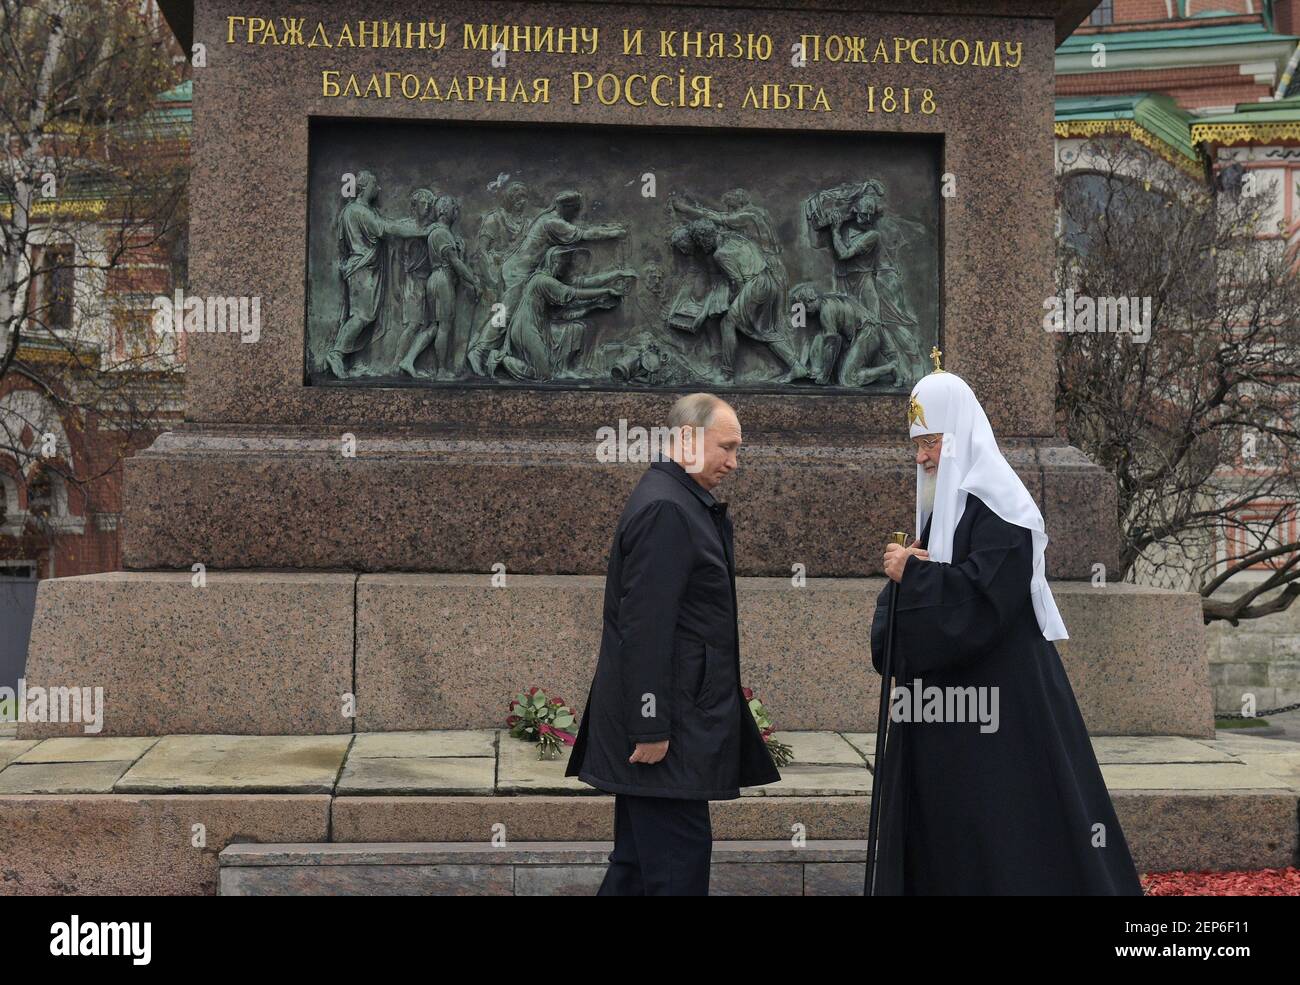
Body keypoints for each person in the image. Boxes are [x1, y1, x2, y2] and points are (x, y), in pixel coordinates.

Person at [869, 354, 1143, 895]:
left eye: (932, 443)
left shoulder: (1002, 509)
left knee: (1009, 837)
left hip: (1005, 715)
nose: (923, 458)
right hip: (942, 717)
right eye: (917, 445)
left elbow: (980, 606)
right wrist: (910, 577)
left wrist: (913, 578)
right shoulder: (939, 512)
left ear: (963, 434)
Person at [566, 393, 781, 894]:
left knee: (640, 868)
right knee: (674, 868)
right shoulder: (667, 508)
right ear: (686, 439)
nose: (734, 462)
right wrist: (650, 724)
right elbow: (644, 629)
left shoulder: (679, 500)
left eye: (737, 449)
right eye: (726, 448)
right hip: (668, 733)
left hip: (678, 723)